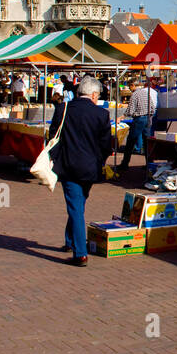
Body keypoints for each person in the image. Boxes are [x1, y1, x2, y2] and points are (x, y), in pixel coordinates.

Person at [51, 78, 115, 266]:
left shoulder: (63, 109)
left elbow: (53, 135)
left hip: (69, 165)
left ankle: (78, 250)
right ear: (94, 95)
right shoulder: (101, 114)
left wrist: (57, 158)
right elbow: (106, 144)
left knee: (76, 207)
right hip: (89, 167)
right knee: (78, 205)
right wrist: (100, 161)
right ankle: (76, 247)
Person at [119, 77, 157, 171]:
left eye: (129, 86)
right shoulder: (145, 93)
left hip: (139, 118)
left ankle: (125, 163)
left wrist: (121, 117)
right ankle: (149, 164)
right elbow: (152, 107)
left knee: (130, 141)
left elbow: (130, 110)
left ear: (132, 85)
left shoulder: (135, 95)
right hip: (148, 118)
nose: (129, 89)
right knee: (147, 142)